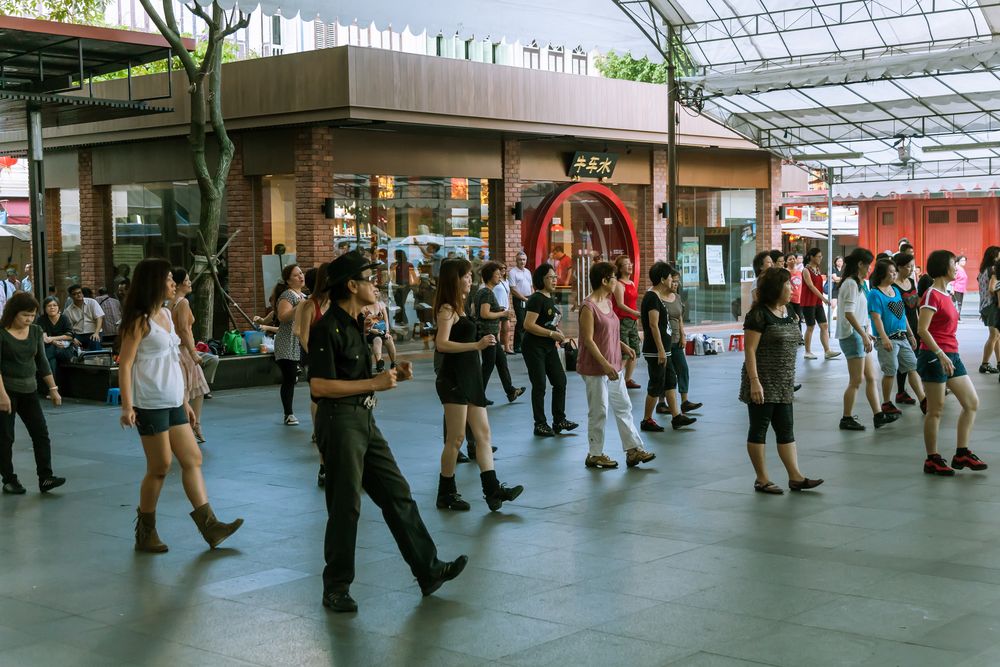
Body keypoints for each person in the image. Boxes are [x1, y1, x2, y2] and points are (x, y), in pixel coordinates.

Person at [309, 252, 467, 612]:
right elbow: (319, 385)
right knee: (345, 506)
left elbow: (363, 380)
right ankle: (336, 587)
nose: (374, 285)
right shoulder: (326, 327)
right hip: (339, 422)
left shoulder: (357, 325)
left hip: (364, 420)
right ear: (351, 285)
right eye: (369, 278)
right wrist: (374, 383)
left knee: (398, 493)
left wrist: (393, 374)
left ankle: (429, 570)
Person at [117, 258, 242, 552]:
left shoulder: (165, 314)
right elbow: (125, 364)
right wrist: (127, 406)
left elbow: (173, 359)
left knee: (193, 459)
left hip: (173, 400)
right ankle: (145, 531)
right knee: (160, 467)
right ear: (155, 282)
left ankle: (210, 526)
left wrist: (185, 399)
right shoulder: (139, 320)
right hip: (149, 403)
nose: (174, 284)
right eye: (170, 279)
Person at [434, 257, 524, 512]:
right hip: (454, 378)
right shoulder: (447, 309)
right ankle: (446, 492)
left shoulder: (460, 307)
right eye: (466, 276)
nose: (470, 279)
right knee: (456, 438)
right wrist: (477, 344)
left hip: (469, 376)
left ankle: (492, 490)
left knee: (483, 434)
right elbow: (442, 344)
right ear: (455, 279)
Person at [741, 268, 822, 494]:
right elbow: (749, 350)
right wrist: (754, 381)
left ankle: (795, 476)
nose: (792, 288)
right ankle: (762, 479)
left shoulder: (788, 312)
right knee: (759, 428)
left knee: (786, 430)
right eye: (788, 285)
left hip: (784, 381)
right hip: (762, 381)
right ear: (776, 288)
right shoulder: (758, 315)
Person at [577, 261, 654, 469]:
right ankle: (595, 453)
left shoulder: (609, 303)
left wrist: (623, 346)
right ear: (604, 281)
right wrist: (604, 365)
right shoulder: (588, 306)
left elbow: (609, 333)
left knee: (623, 406)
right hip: (596, 368)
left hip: (614, 364)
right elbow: (588, 340)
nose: (616, 282)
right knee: (599, 409)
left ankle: (633, 450)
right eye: (613, 278)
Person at [917, 250, 987, 476]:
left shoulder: (946, 293)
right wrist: (940, 354)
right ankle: (932, 459)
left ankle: (962, 453)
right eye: (952, 264)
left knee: (971, 402)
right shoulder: (931, 295)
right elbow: (922, 330)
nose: (956, 267)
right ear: (942, 267)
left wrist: (948, 354)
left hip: (951, 354)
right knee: (935, 410)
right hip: (934, 356)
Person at [0, 292, 64, 495]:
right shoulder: (2, 333)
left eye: (32, 315)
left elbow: (42, 362)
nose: (29, 319)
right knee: (5, 438)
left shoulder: (36, 331)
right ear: (13, 313)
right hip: (6, 390)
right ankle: (9, 479)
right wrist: (2, 396)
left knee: (41, 434)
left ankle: (46, 477)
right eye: (25, 315)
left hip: (30, 390)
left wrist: (53, 389)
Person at [836, 248, 899, 431]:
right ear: (860, 265)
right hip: (852, 336)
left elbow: (858, 313)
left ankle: (878, 415)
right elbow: (848, 314)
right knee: (856, 380)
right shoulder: (850, 284)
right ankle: (846, 417)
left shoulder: (860, 284)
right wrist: (863, 334)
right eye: (868, 264)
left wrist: (866, 332)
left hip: (860, 334)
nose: (870, 269)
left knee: (872, 377)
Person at [639, 262, 697, 432]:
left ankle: (676, 416)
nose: (673, 280)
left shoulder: (659, 296)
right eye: (670, 277)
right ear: (663, 279)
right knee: (656, 384)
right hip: (656, 350)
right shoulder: (652, 297)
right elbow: (653, 325)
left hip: (666, 347)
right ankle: (647, 419)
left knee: (671, 380)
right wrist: (661, 350)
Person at [522, 263, 578, 437]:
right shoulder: (536, 298)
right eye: (550, 277)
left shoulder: (549, 297)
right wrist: (550, 334)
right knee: (539, 385)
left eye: (555, 277)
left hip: (547, 346)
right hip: (534, 347)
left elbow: (548, 322)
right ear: (541, 279)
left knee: (560, 381)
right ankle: (540, 423)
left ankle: (559, 419)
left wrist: (556, 332)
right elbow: (528, 325)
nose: (555, 280)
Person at [868, 258, 926, 417]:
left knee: (912, 366)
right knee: (890, 370)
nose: (894, 275)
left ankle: (923, 400)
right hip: (888, 338)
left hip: (902, 337)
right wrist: (884, 337)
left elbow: (903, 315)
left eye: (895, 272)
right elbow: (876, 318)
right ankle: (886, 403)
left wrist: (910, 334)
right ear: (881, 274)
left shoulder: (895, 291)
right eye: (891, 273)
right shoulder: (875, 293)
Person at [294, 262, 331, 487]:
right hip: (317, 360)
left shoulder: (338, 304)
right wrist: (316, 357)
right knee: (318, 398)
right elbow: (301, 334)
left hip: (336, 363)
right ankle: (323, 458)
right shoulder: (309, 305)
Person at [169, 269, 211, 445]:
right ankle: (192, 426)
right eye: (187, 280)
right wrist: (193, 353)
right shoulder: (183, 302)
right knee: (192, 390)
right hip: (184, 351)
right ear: (179, 284)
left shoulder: (168, 303)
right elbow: (185, 330)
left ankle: (190, 426)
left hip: (176, 350)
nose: (190, 282)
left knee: (190, 390)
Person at [475, 261, 524, 404]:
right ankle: (478, 395)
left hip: (491, 333)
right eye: (497, 274)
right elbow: (484, 314)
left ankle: (510, 391)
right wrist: (502, 313)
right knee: (488, 365)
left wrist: (498, 311)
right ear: (490, 276)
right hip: (488, 333)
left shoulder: (483, 291)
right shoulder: (487, 293)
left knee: (501, 362)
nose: (499, 277)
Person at [661, 266, 702, 413]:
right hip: (664, 340)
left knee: (683, 369)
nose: (675, 284)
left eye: (677, 281)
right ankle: (661, 402)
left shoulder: (677, 297)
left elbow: (679, 318)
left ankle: (685, 400)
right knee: (666, 372)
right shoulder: (658, 298)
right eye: (673, 281)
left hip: (677, 339)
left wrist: (683, 335)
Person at [272, 264, 306, 425]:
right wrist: (297, 308)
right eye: (296, 275)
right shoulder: (288, 295)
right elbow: (283, 317)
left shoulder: (304, 296)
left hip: (301, 341)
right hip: (287, 341)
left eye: (301, 273)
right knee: (290, 377)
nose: (301, 276)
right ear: (288, 280)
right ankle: (288, 413)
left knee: (298, 376)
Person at [800, 248, 840, 360]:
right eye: (818, 256)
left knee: (824, 325)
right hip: (808, 302)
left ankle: (827, 350)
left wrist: (821, 299)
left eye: (821, 256)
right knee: (810, 326)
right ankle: (807, 351)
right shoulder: (806, 270)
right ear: (811, 257)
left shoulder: (817, 269)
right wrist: (824, 298)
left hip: (817, 302)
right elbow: (811, 286)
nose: (820, 258)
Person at [892, 252, 921, 404]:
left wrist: (920, 326)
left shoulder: (910, 281)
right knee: (906, 361)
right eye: (908, 267)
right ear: (899, 267)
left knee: (911, 360)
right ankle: (902, 391)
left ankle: (902, 392)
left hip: (915, 325)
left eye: (912, 266)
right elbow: (900, 312)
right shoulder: (894, 286)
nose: (911, 269)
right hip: (902, 327)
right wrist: (910, 333)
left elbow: (915, 307)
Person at [611, 256, 642, 390]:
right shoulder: (619, 284)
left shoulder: (632, 283)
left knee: (635, 350)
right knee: (624, 352)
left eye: (630, 263)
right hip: (623, 320)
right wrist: (634, 313)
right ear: (620, 268)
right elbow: (620, 304)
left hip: (633, 321)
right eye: (626, 264)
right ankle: (615, 378)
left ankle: (628, 379)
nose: (630, 266)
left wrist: (635, 315)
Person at [38, 297, 74, 390]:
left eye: (54, 305)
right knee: (52, 362)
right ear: (45, 308)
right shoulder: (42, 319)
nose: (52, 308)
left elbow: (70, 336)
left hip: (64, 349)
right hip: (51, 347)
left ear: (59, 307)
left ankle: (51, 389)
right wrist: (54, 342)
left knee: (47, 356)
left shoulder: (64, 318)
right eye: (49, 306)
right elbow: (44, 337)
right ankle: (54, 389)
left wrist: (52, 339)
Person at [978, 246, 1000, 374]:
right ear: (995, 256)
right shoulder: (993, 269)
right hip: (992, 305)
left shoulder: (982, 270)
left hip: (984, 306)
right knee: (995, 335)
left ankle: (999, 362)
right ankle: (985, 364)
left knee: (997, 336)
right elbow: (992, 288)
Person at [64, 284, 104, 351]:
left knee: (95, 341)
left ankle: (97, 360)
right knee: (70, 345)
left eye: (80, 292)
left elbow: (99, 318)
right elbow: (68, 327)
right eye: (75, 294)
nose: (78, 295)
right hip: (78, 334)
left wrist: (96, 333)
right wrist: (73, 338)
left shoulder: (92, 302)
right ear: (71, 296)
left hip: (93, 332)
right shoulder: (68, 311)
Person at [508, 251, 533, 353]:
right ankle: (517, 346)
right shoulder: (512, 272)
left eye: (524, 259)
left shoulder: (527, 271)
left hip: (529, 298)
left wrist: (533, 297)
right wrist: (524, 298)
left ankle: (527, 345)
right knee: (521, 322)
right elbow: (513, 289)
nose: (522, 262)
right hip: (519, 300)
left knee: (529, 322)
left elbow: (531, 286)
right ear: (516, 260)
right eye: (520, 260)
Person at [364, 295, 396, 373]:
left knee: (389, 340)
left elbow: (385, 320)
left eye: (377, 292)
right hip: (370, 331)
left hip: (381, 330)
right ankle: (379, 363)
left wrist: (387, 331)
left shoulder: (380, 304)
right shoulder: (365, 307)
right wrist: (372, 330)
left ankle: (393, 363)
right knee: (378, 340)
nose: (375, 294)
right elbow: (364, 324)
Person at [390, 249, 417, 325]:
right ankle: (398, 318)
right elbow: (391, 276)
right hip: (396, 285)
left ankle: (404, 320)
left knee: (401, 302)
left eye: (395, 255)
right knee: (398, 302)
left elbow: (413, 276)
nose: (394, 256)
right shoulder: (394, 264)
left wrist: (410, 285)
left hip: (405, 286)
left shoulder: (409, 265)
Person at [786, 254, 803, 329]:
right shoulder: (785, 272)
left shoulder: (800, 272)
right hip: (789, 300)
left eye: (794, 258)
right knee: (791, 319)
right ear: (786, 262)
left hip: (799, 300)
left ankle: (799, 338)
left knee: (799, 320)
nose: (792, 260)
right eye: (790, 259)